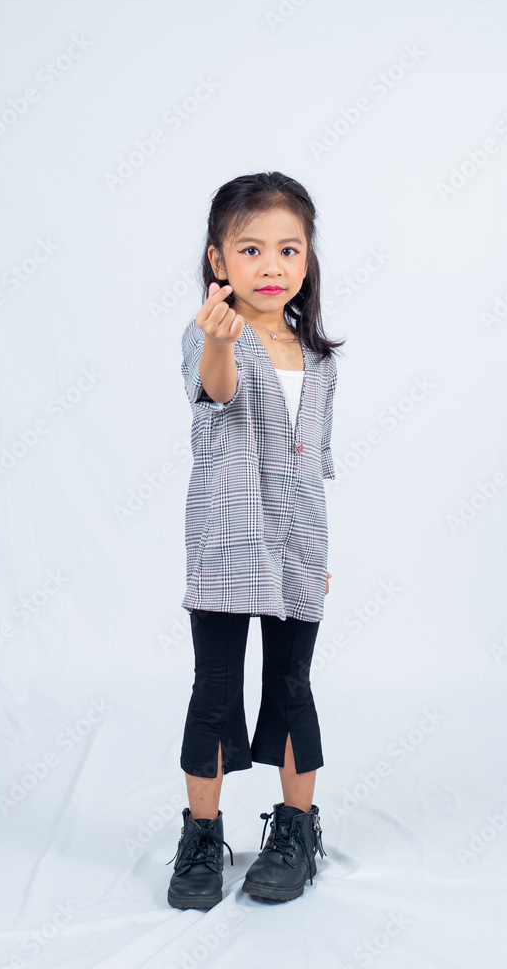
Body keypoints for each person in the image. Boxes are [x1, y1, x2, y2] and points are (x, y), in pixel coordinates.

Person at [167, 171, 345, 910]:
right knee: (214, 693)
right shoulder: (213, 338)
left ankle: (296, 828)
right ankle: (202, 837)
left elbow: (313, 463)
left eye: (287, 250)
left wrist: (318, 558)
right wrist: (217, 342)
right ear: (218, 262)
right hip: (225, 546)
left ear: (306, 260)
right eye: (249, 250)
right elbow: (219, 390)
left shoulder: (320, 356)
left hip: (298, 548)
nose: (270, 266)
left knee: (291, 689)